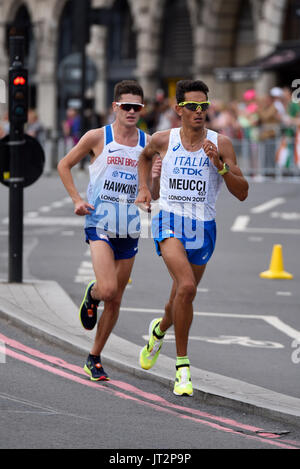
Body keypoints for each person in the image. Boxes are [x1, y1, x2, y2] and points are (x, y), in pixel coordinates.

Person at [135, 79, 249, 396]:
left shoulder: (221, 143)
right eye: (192, 107)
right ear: (179, 110)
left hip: (203, 226)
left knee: (181, 296)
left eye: (203, 107)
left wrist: (221, 167)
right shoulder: (163, 139)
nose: (199, 112)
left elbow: (242, 193)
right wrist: (144, 187)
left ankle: (158, 331)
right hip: (170, 219)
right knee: (186, 286)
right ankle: (182, 368)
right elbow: (144, 156)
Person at [58, 80, 152, 381]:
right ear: (115, 107)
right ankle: (93, 292)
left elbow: (153, 191)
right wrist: (76, 199)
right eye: (126, 106)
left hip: (130, 225)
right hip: (99, 221)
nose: (131, 111)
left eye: (136, 107)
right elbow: (64, 165)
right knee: (108, 289)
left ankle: (94, 356)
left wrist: (152, 187)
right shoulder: (98, 137)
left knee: (116, 298)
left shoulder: (148, 144)